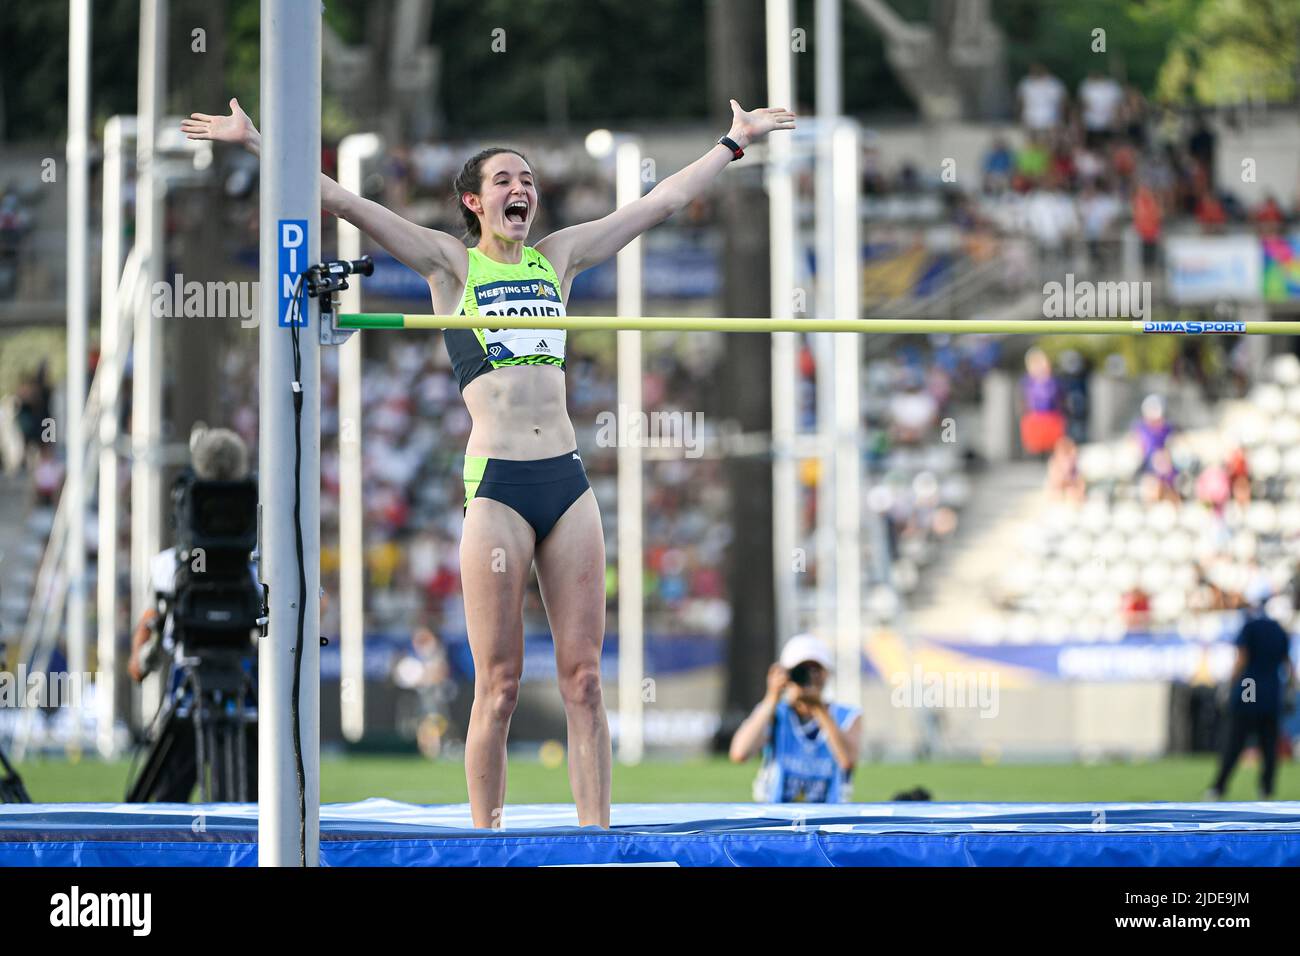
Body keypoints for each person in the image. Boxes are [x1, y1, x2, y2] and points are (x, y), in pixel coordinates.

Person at [183, 96, 796, 829]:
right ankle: (486, 839)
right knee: (498, 685)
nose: (523, 190)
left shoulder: (560, 256)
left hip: (566, 482)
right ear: (474, 201)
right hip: (498, 489)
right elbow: (347, 202)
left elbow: (660, 203)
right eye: (506, 179)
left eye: (530, 180)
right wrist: (259, 141)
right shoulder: (450, 263)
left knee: (586, 680)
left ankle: (595, 839)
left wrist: (733, 142)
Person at [729, 634, 862, 803]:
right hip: (776, 816)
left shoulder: (847, 716)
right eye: (802, 670)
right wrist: (772, 696)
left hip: (830, 817)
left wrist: (819, 709)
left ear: (826, 673)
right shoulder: (775, 712)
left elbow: (848, 762)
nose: (809, 677)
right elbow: (740, 753)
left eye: (816, 670)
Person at [1207, 579, 1295, 800]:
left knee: (1236, 738)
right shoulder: (1279, 630)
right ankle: (1266, 788)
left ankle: (1219, 787)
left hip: (1250, 686)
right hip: (1271, 689)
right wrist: (1291, 689)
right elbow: (1288, 665)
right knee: (1268, 743)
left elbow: (1242, 659)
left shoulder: (1250, 626)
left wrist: (1229, 685)